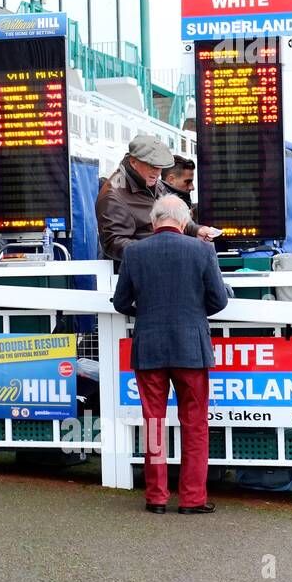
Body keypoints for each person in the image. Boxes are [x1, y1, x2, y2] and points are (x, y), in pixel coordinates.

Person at [112, 195, 229, 514]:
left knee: (153, 422)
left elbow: (121, 302)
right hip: (191, 347)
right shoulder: (202, 250)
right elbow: (219, 300)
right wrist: (192, 314)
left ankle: (156, 497)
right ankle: (192, 498)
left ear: (154, 221)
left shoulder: (134, 252)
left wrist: (147, 313)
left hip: (149, 346)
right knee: (195, 424)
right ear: (184, 221)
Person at [96, 134, 219, 265]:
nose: (157, 172)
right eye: (152, 166)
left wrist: (196, 230)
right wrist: (158, 249)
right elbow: (113, 244)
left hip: (159, 263)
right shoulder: (113, 195)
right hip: (139, 270)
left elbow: (173, 214)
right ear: (133, 162)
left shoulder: (149, 181)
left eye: (160, 167)